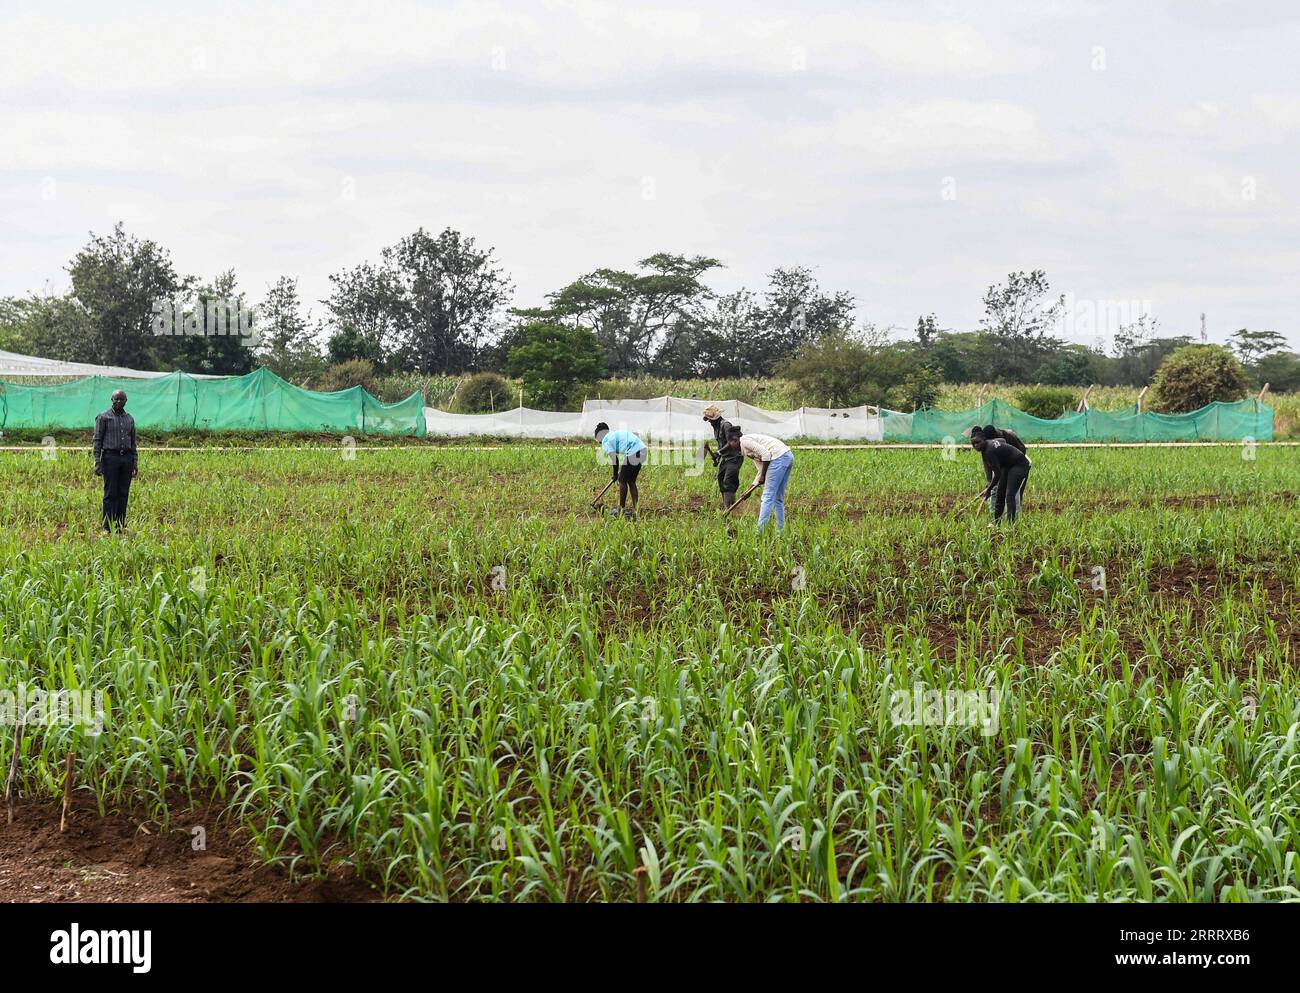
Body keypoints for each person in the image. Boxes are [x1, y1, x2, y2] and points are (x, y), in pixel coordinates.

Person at [730, 426, 794, 530]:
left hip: (778, 457)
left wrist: (764, 476)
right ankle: (780, 530)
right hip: (787, 456)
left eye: (730, 443)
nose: (731, 447)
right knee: (777, 498)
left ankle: (760, 531)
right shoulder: (748, 449)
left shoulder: (745, 441)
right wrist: (750, 489)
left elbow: (766, 455)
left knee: (767, 497)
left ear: (735, 440)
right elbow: (761, 470)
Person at [93, 389, 138, 533]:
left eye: (122, 399)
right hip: (110, 458)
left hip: (127, 458)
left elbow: (133, 442)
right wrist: (97, 461)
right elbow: (97, 440)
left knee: (123, 493)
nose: (119, 402)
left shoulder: (129, 419)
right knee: (110, 494)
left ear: (126, 401)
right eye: (116, 399)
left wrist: (134, 462)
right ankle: (107, 527)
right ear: (111, 400)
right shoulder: (103, 417)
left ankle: (120, 525)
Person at [969, 426, 1031, 523]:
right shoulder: (986, 448)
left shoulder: (989, 451)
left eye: (978, 442)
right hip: (1007, 465)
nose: (976, 445)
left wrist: (989, 489)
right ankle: (996, 523)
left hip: (1020, 465)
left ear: (984, 439)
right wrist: (989, 482)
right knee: (999, 494)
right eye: (973, 444)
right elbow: (1001, 441)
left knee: (1010, 495)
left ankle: (1012, 524)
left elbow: (997, 474)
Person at [594, 421, 646, 518]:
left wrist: (615, 475)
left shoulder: (606, 440)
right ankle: (637, 510)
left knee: (622, 480)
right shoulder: (613, 435)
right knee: (631, 481)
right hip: (642, 451)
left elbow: (614, 458)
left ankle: (621, 509)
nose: (599, 442)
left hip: (633, 452)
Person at [701, 404, 743, 510]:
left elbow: (732, 442)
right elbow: (722, 444)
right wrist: (718, 458)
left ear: (716, 418)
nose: (709, 422)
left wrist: (719, 452)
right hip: (726, 458)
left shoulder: (726, 425)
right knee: (721, 480)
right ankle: (728, 507)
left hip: (734, 458)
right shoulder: (716, 427)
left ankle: (730, 510)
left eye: (710, 419)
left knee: (728, 482)